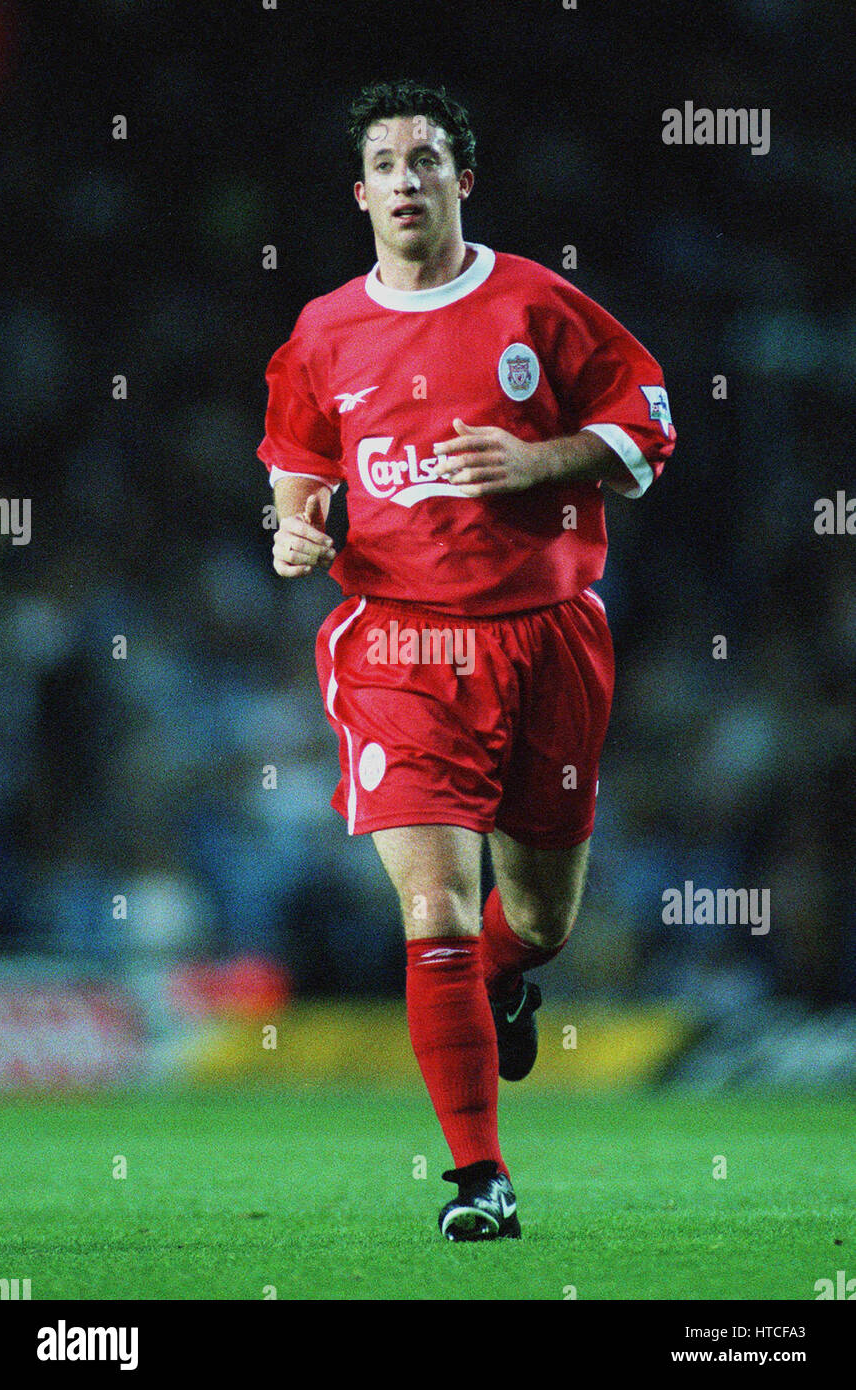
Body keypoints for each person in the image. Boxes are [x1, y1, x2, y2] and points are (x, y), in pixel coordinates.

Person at [258, 80, 676, 1241]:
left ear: (460, 182)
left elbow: (650, 418)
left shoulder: (538, 304)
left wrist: (541, 463)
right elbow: (298, 473)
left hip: (547, 639)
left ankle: (502, 977)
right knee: (434, 901)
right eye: (384, 161)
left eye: (425, 158)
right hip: (395, 641)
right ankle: (479, 1174)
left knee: (535, 919)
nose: (404, 177)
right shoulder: (322, 331)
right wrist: (294, 529)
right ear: (359, 194)